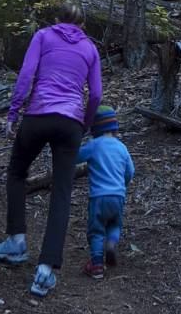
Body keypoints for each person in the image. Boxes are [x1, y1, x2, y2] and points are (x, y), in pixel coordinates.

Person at [0, 0, 102, 298]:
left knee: (16, 172)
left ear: (58, 19)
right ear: (82, 25)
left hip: (38, 115)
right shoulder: (90, 48)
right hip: (70, 124)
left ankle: (16, 241)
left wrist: (13, 112)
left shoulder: (43, 35)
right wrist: (86, 123)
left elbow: (26, 76)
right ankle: (45, 271)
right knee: (62, 192)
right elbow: (97, 94)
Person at [76, 103, 135, 280]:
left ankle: (97, 266)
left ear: (95, 127)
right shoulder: (122, 147)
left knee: (96, 230)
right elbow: (130, 172)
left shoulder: (94, 145)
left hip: (99, 197)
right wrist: (122, 186)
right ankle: (110, 244)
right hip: (118, 196)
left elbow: (75, 156)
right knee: (115, 224)